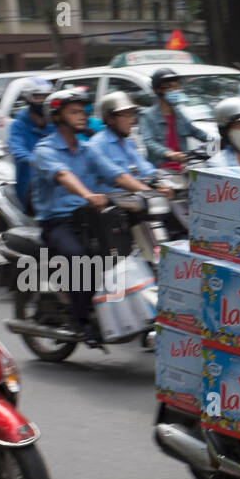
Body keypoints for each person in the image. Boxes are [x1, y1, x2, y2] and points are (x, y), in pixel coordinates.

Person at [32, 88, 160, 345]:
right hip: (59, 222)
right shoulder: (44, 150)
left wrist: (150, 191)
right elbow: (63, 176)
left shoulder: (87, 148)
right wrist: (88, 194)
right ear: (57, 117)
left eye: (84, 111)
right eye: (74, 112)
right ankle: (82, 323)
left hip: (91, 218)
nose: (82, 116)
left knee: (127, 252)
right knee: (80, 260)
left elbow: (116, 174)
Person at [87, 92, 167, 187]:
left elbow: (144, 167)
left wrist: (160, 184)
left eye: (132, 115)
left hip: (140, 194)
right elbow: (118, 178)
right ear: (109, 119)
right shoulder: (98, 144)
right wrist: (147, 191)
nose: (132, 121)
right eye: (126, 115)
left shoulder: (128, 143)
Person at [138, 67, 200, 171]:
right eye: (170, 87)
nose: (175, 91)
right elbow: (149, 142)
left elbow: (196, 132)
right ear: (158, 90)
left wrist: (215, 140)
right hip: (161, 171)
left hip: (183, 169)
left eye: (177, 87)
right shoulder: (147, 116)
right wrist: (169, 154)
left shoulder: (179, 115)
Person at [8, 77, 54, 212]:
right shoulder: (18, 125)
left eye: (47, 96)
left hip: (58, 182)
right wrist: (39, 161)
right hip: (31, 185)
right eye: (38, 97)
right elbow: (17, 150)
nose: (44, 101)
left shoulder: (55, 123)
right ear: (26, 98)